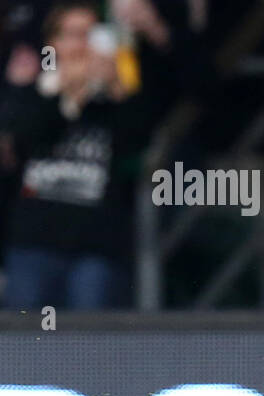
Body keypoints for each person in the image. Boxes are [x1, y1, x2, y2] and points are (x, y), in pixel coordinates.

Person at [0, 0, 153, 309]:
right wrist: (67, 94)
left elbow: (137, 143)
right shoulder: (33, 88)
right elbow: (26, 138)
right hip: (34, 242)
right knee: (23, 344)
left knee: (90, 348)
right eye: (73, 34)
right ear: (53, 42)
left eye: (90, 35)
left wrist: (117, 89)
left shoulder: (116, 95)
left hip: (95, 247)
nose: (82, 44)